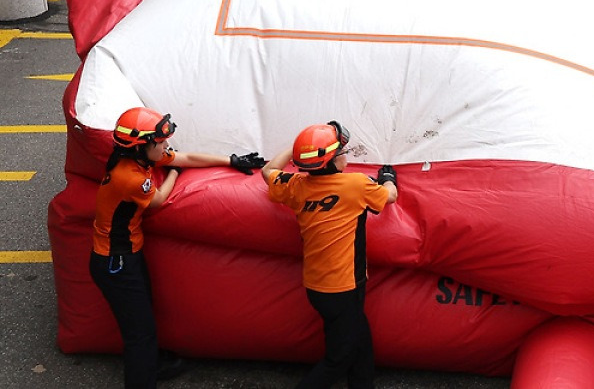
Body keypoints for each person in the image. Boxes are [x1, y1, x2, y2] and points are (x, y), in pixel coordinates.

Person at [91, 107, 266, 388]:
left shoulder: (136, 159)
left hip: (125, 257)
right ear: (142, 146)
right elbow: (158, 199)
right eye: (161, 143)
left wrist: (230, 161)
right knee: (141, 333)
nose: (166, 147)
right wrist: (173, 173)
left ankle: (151, 364)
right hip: (116, 263)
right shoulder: (131, 178)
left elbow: (185, 157)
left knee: (142, 319)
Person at [262, 121, 398, 389]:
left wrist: (298, 151)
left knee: (361, 343)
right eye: (342, 153)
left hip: (318, 287)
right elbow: (389, 197)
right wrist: (388, 178)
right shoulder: (356, 185)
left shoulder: (297, 186)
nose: (346, 156)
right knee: (340, 358)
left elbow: (268, 171)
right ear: (332, 161)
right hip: (344, 288)